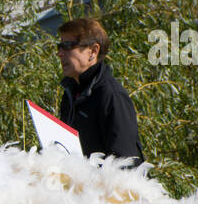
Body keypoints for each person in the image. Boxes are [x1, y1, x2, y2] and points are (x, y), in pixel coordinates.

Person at [56, 17, 144, 163]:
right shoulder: (70, 93)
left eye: (67, 46)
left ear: (93, 51)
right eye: (59, 46)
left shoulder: (112, 96)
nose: (60, 53)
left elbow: (126, 162)